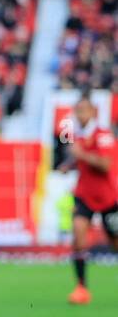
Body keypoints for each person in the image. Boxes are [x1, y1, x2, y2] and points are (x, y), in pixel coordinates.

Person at [59, 96, 118, 305]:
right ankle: (81, 288)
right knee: (78, 236)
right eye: (78, 110)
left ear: (93, 112)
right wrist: (69, 165)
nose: (80, 114)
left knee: (115, 243)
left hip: (108, 197)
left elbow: (104, 165)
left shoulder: (103, 134)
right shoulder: (76, 135)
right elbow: (78, 157)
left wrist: (80, 155)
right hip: (84, 195)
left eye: (84, 110)